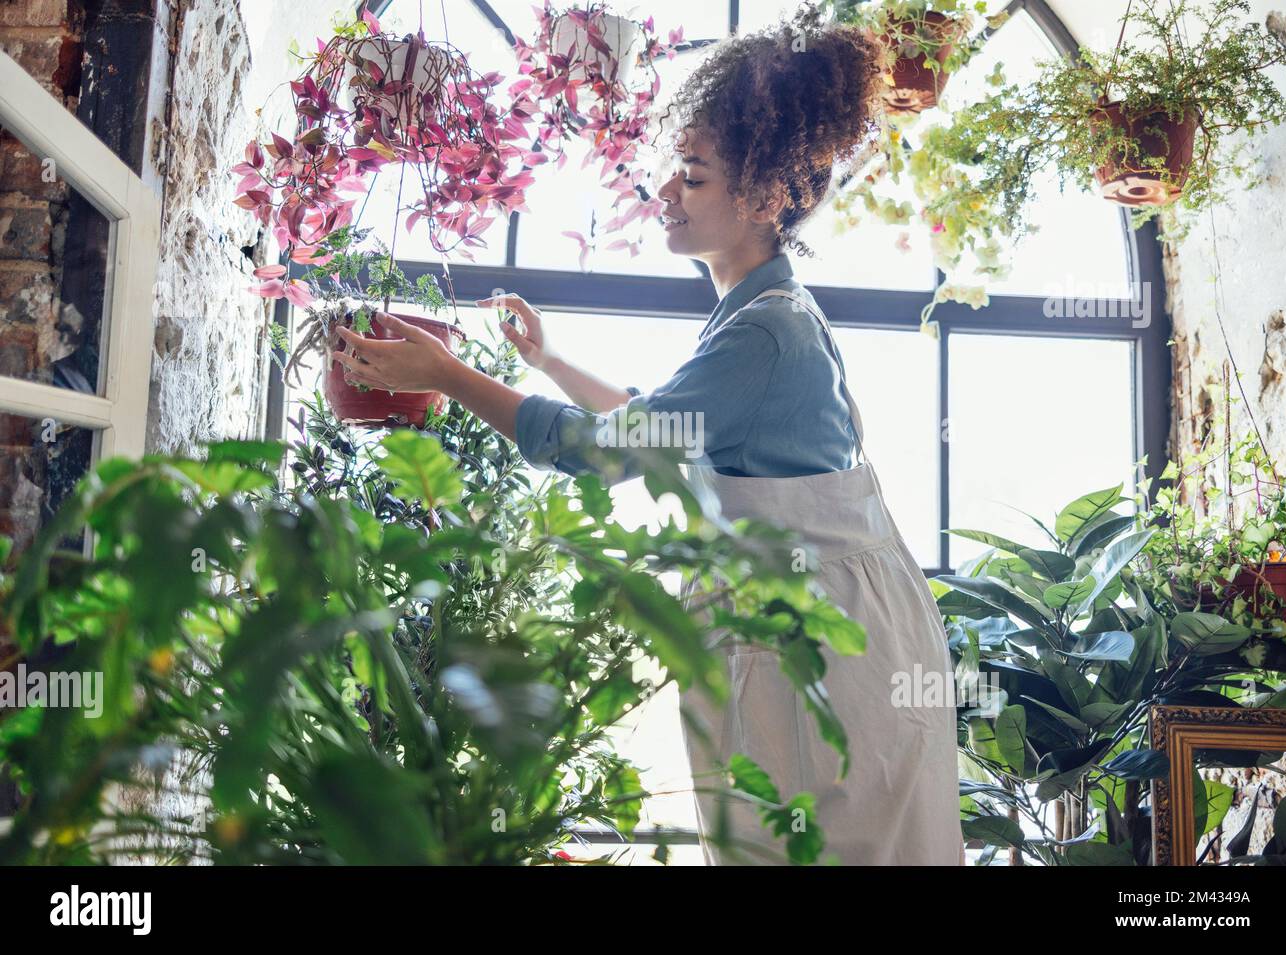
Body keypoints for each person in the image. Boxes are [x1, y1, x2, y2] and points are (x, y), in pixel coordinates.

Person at [333, 10, 963, 866]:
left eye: (693, 178)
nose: (663, 191)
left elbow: (604, 451)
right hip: (824, 640)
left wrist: (446, 375)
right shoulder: (761, 321)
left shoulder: (765, 337)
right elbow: (661, 423)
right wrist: (551, 361)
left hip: (831, 663)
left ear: (766, 193)